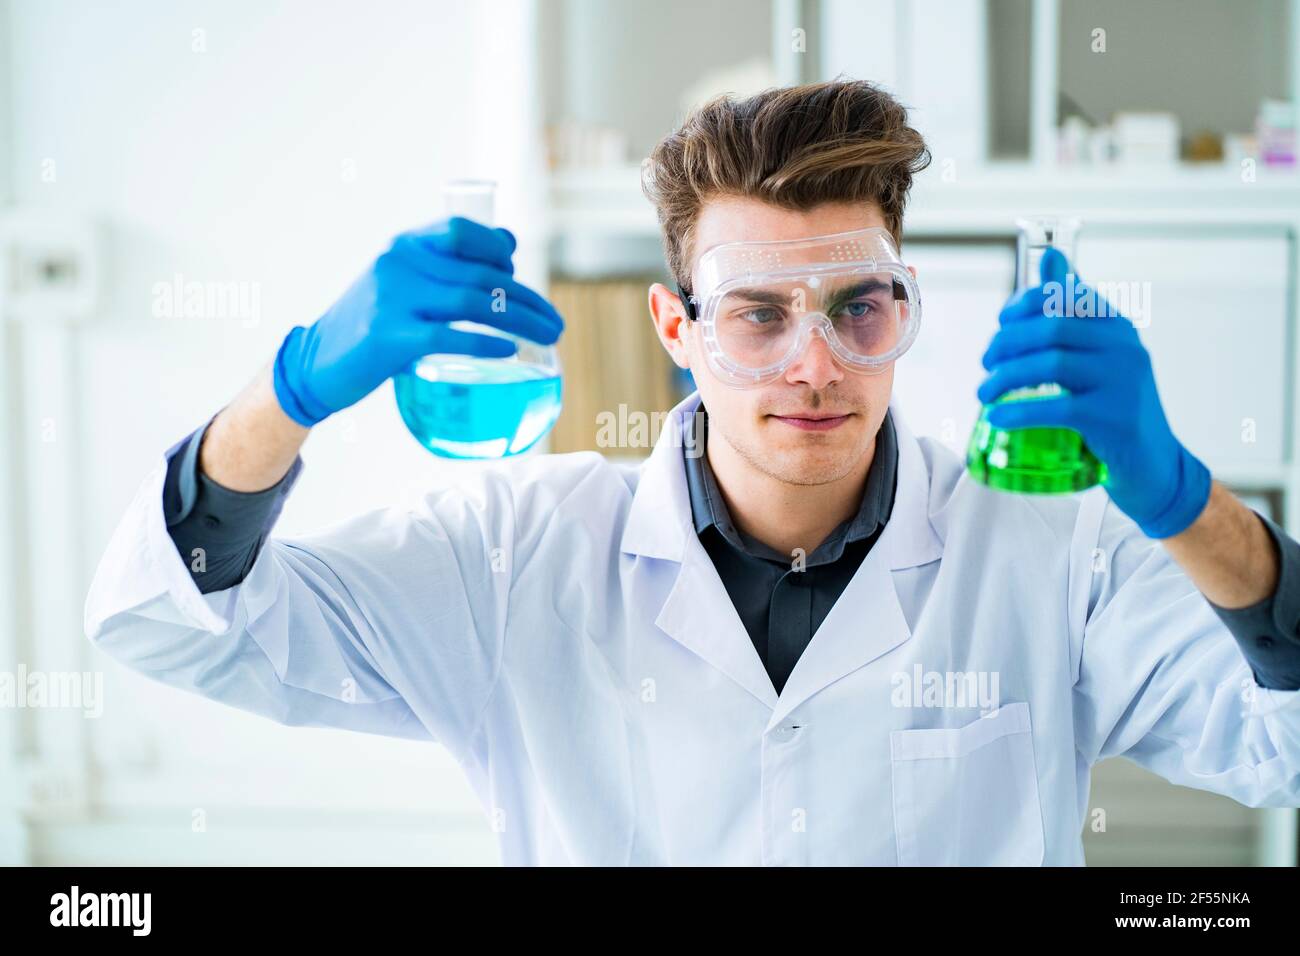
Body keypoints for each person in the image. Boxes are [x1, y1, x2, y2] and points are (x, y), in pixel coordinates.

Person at [85, 80, 1300, 866]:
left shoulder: (1050, 550)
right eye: (757, 314)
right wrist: (292, 387)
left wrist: (1183, 501)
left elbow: (1280, 750)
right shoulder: (518, 553)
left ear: (905, 308)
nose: (813, 365)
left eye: (857, 308)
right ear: (676, 328)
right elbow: (169, 620)